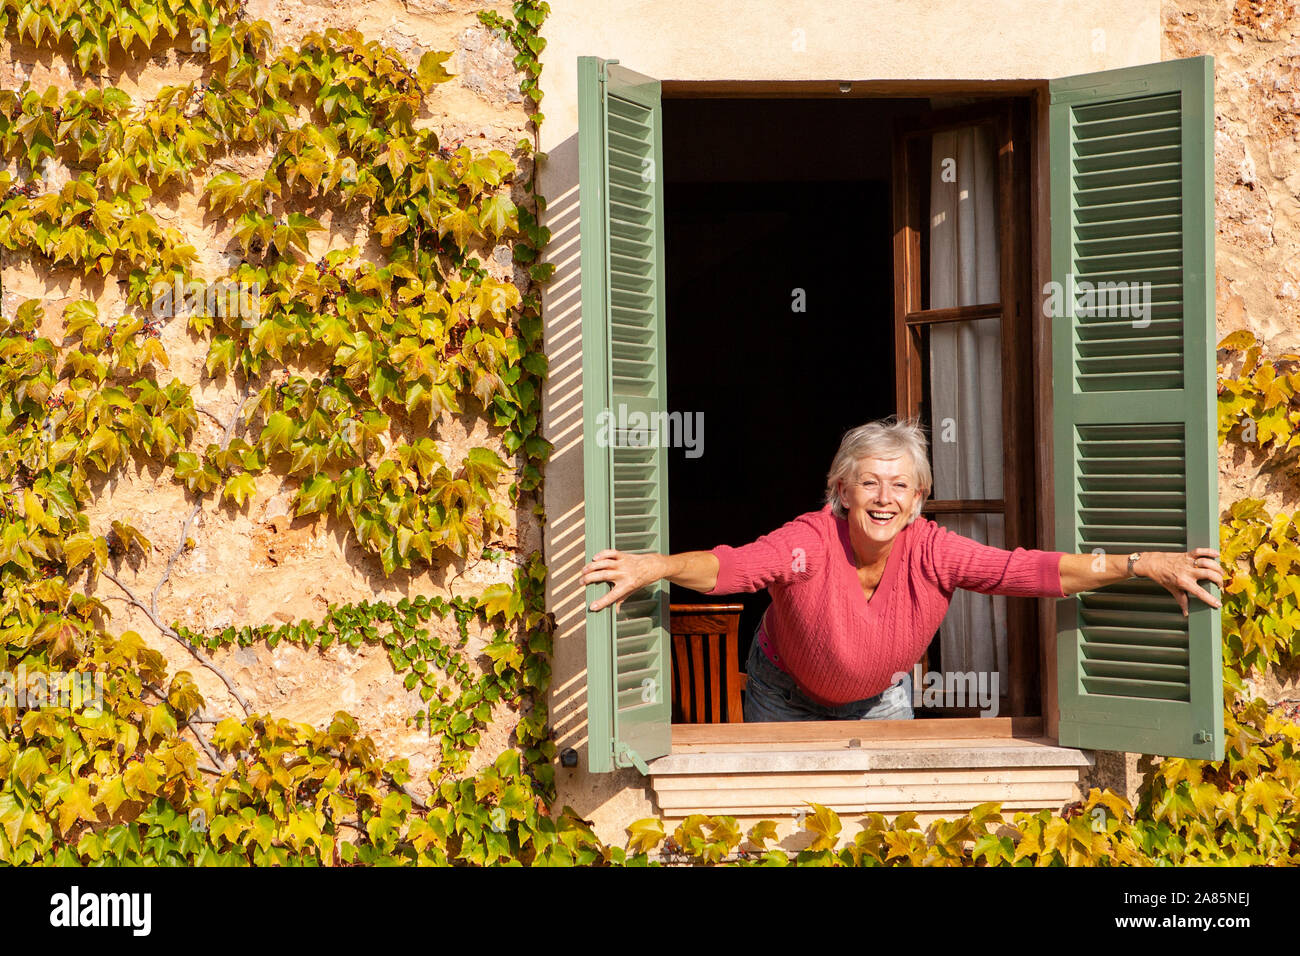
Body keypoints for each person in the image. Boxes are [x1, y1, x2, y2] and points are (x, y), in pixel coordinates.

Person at [579, 417, 1225, 722]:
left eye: (901, 486)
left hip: (881, 701)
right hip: (783, 697)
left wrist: (1142, 563)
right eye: (870, 483)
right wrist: (655, 565)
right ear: (842, 489)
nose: (884, 498)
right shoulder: (809, 540)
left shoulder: (934, 551)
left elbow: (1031, 571)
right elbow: (733, 568)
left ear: (919, 499)